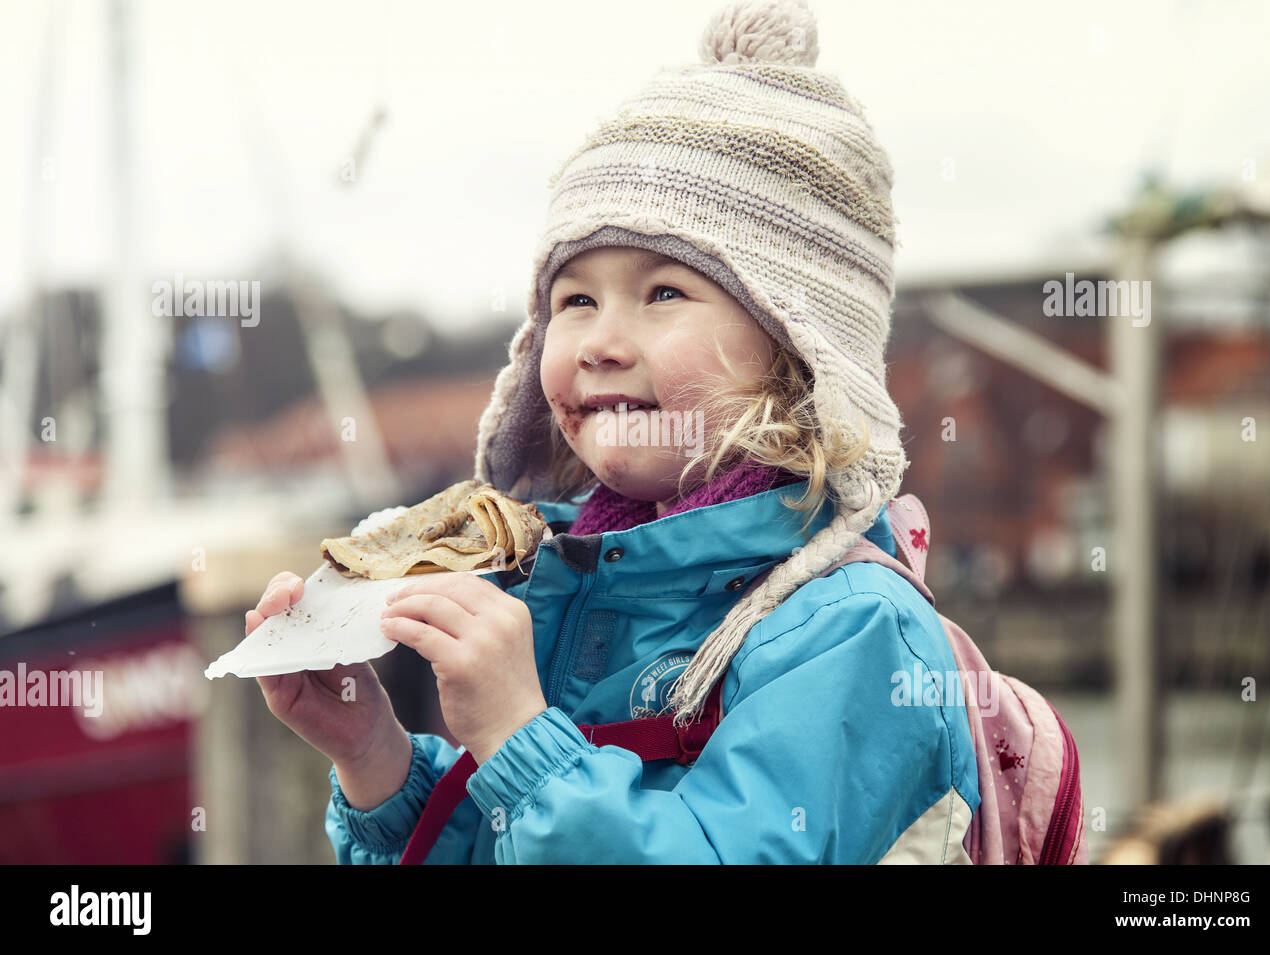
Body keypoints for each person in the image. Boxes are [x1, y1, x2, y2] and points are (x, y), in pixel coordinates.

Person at [247, 0, 980, 863]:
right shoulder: (557, 579)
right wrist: (376, 756)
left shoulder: (853, 630)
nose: (599, 342)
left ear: (798, 344)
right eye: (575, 300)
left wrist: (521, 737)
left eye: (665, 292)